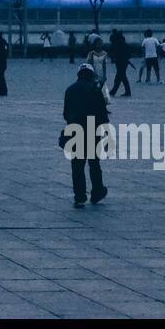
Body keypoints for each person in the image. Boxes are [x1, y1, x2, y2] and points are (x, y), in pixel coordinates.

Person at [61, 64, 109, 208]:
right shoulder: (95, 89)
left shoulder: (70, 89)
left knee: (77, 165)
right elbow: (103, 114)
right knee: (94, 163)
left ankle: (80, 196)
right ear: (91, 75)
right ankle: (97, 192)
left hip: (75, 130)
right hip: (93, 129)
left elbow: (65, 113)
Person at [108, 33, 133, 98]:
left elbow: (113, 53)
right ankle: (115, 91)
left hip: (119, 62)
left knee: (121, 76)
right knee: (120, 76)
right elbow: (129, 55)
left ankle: (115, 91)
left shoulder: (116, 45)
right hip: (124, 62)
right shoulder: (125, 45)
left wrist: (114, 58)